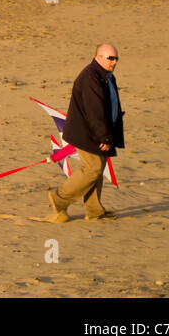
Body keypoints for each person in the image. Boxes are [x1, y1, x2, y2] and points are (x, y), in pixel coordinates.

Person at [47, 44, 124, 222]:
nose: (114, 62)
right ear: (98, 57)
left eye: (116, 59)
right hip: (86, 132)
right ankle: (60, 198)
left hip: (97, 131)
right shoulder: (91, 77)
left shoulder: (106, 76)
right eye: (109, 58)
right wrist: (104, 136)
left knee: (98, 168)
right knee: (94, 168)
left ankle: (94, 211)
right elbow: (94, 111)